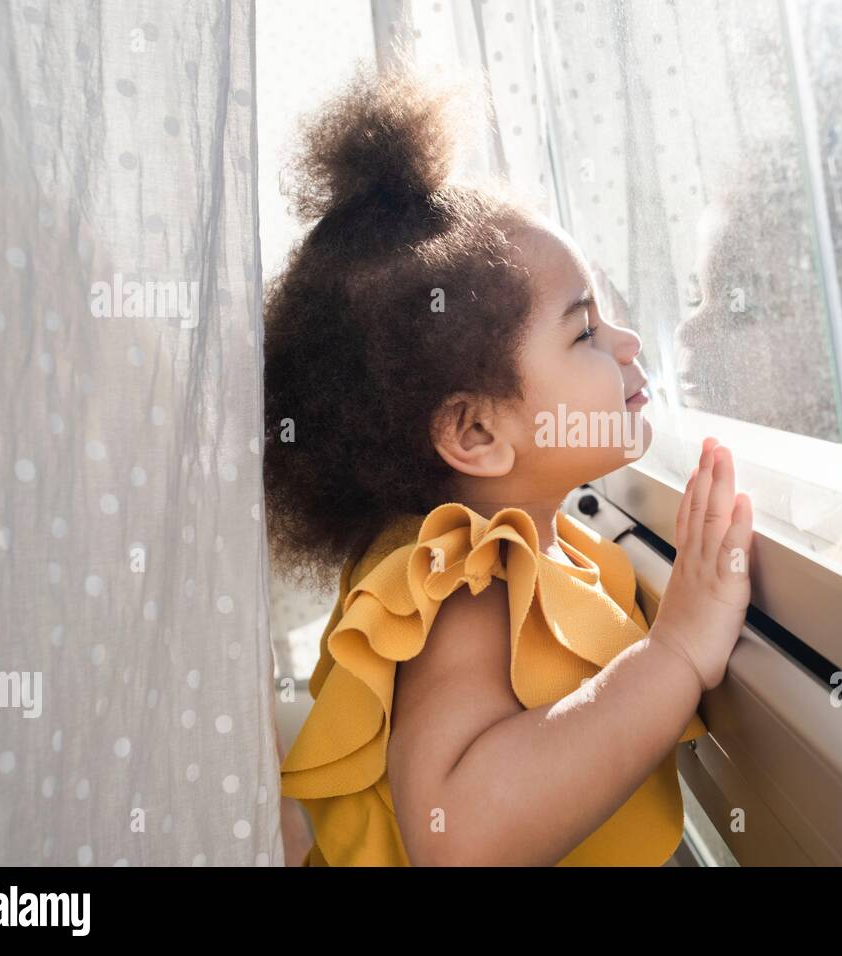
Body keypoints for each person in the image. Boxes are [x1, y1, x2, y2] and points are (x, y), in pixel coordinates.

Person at [263, 64, 753, 866]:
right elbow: (461, 840)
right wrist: (676, 654)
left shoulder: (554, 548)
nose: (629, 346)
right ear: (476, 433)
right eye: (584, 332)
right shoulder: (461, 584)